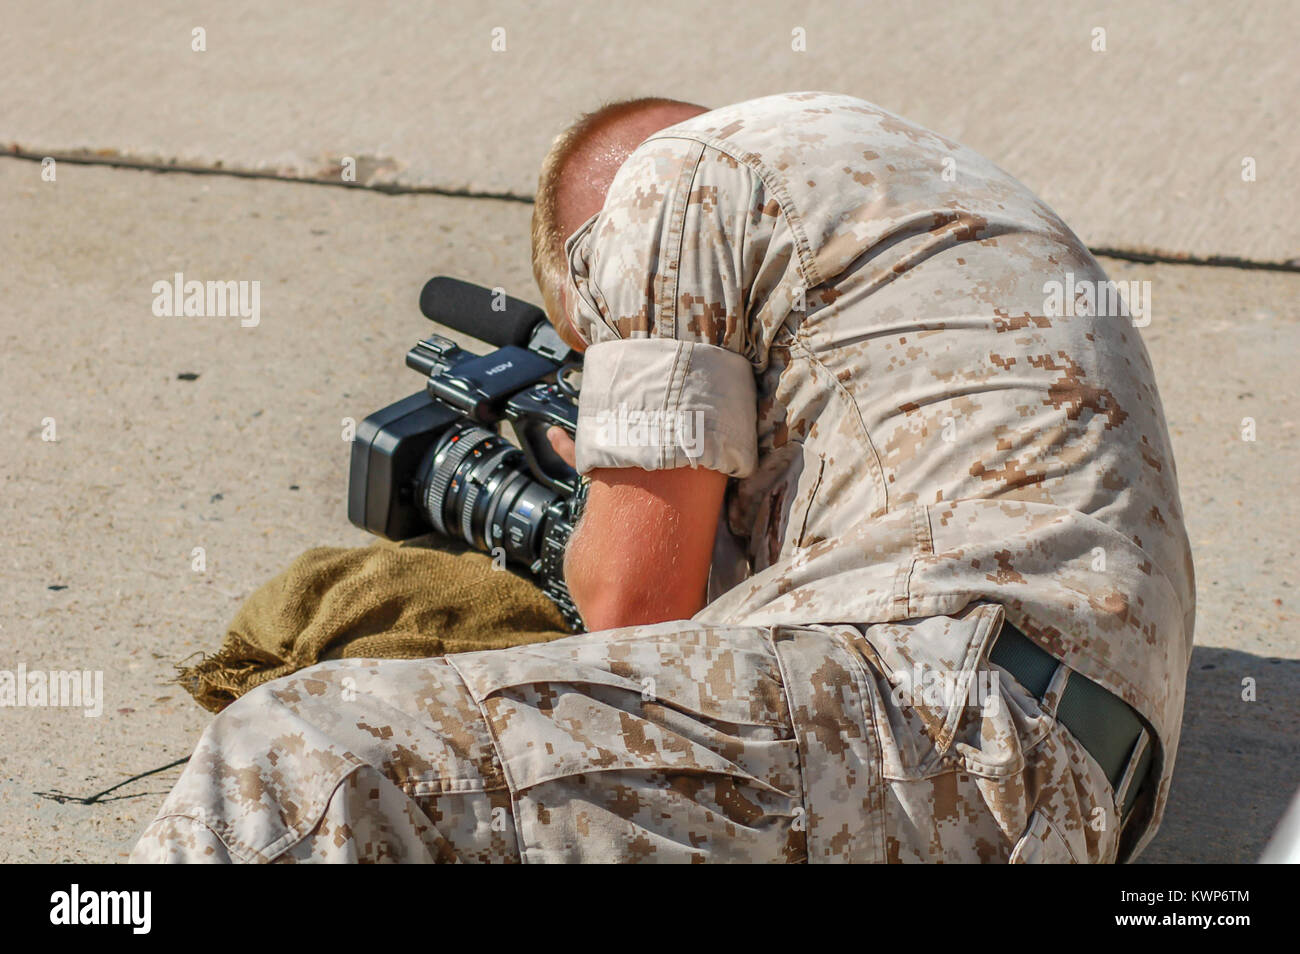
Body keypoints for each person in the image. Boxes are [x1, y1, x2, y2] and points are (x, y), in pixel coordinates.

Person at [131, 91, 1194, 863]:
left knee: (297, 756)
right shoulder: (909, 191)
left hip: (929, 722)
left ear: (592, 250)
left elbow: (635, 608)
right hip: (1048, 776)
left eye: (594, 348)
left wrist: (611, 499)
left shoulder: (668, 179)